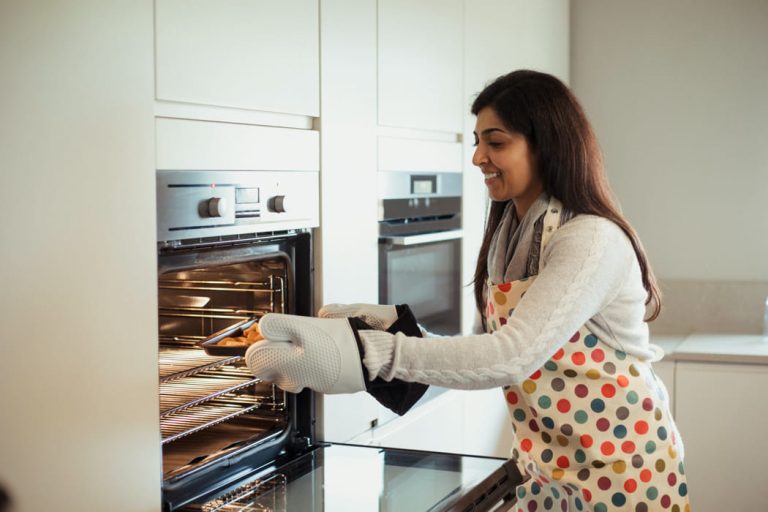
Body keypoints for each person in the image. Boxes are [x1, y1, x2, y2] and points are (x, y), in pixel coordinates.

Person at [245, 69, 690, 512]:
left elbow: (511, 356)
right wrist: (404, 334)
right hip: (547, 464)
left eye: (495, 142)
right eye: (477, 141)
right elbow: (487, 348)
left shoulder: (589, 238)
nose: (478, 157)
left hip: (620, 470)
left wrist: (376, 353)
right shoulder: (510, 235)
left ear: (547, 144)